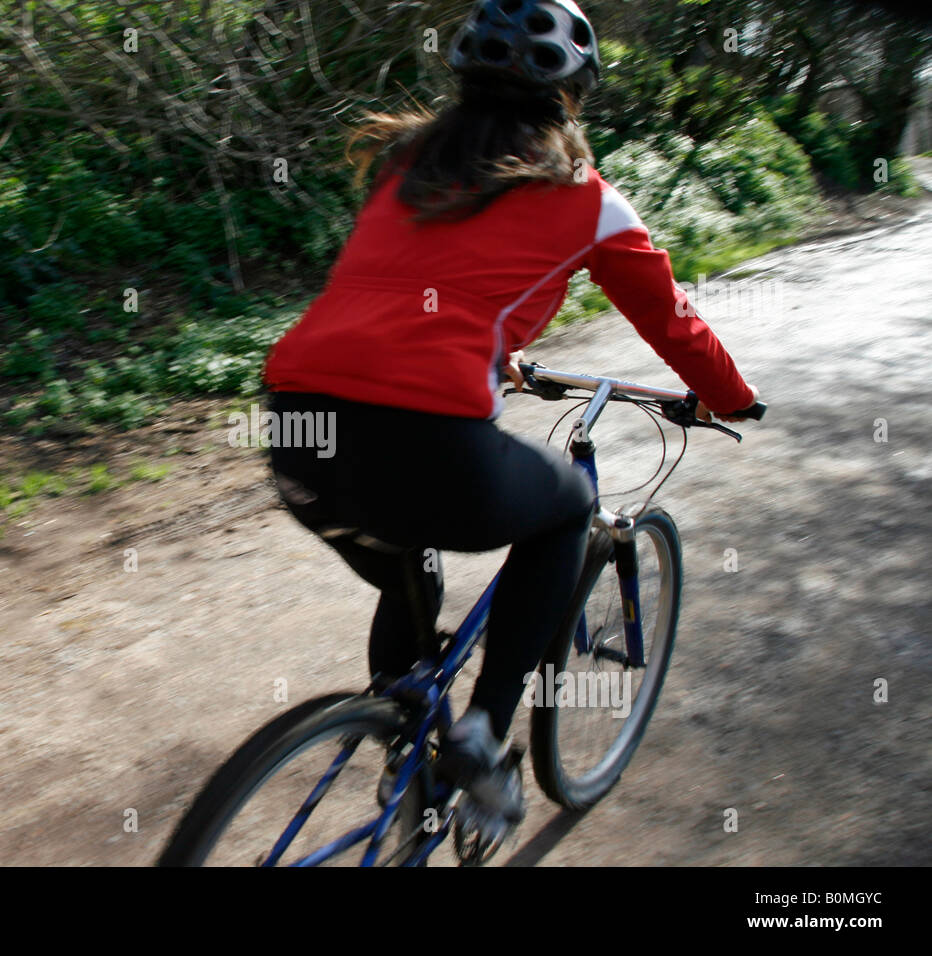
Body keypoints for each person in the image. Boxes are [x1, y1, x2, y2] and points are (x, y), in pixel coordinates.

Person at [261, 0, 760, 837]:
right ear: (572, 98)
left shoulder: (406, 164)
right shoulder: (587, 199)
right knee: (565, 507)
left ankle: (403, 733)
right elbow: (670, 319)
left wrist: (497, 356)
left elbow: (413, 292)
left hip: (295, 427)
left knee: (407, 562)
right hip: (424, 437)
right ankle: (483, 740)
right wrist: (732, 395)